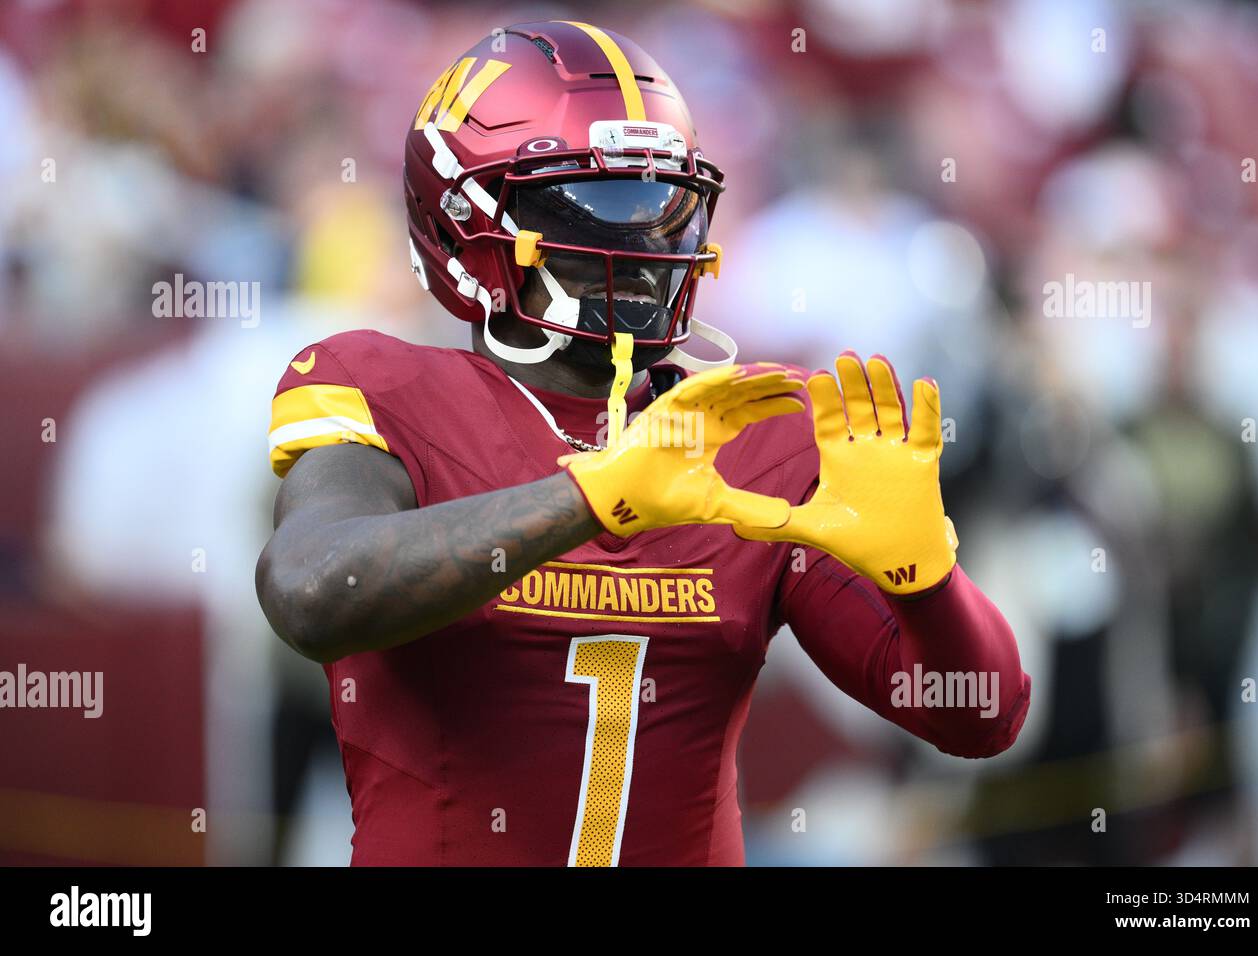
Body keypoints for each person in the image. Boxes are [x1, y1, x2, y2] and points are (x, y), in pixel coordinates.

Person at [255, 20, 1031, 866]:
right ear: (465, 218)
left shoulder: (749, 430)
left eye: (667, 200)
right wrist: (590, 496)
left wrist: (926, 583)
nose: (648, 242)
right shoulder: (386, 390)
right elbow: (310, 591)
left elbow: (980, 717)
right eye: (603, 202)